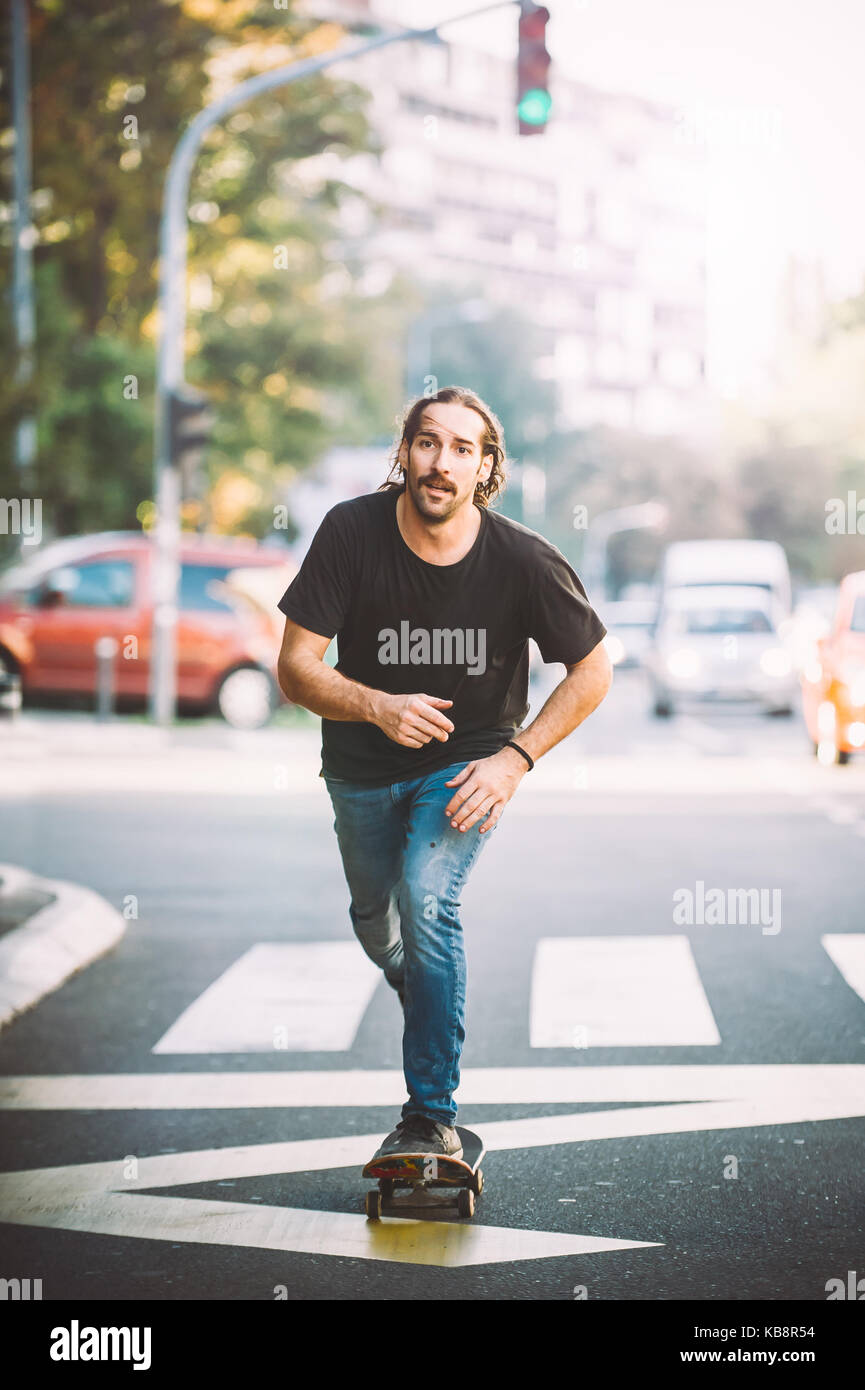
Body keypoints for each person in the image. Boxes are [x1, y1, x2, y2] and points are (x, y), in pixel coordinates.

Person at [276, 385, 611, 1161]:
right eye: (429, 442)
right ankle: (413, 975)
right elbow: (295, 669)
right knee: (376, 921)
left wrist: (514, 760)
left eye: (464, 449)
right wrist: (376, 707)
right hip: (359, 767)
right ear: (405, 452)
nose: (441, 462)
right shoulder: (350, 532)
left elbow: (592, 671)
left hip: (465, 766)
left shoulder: (522, 559)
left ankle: (430, 1116)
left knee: (427, 900)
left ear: (485, 467)